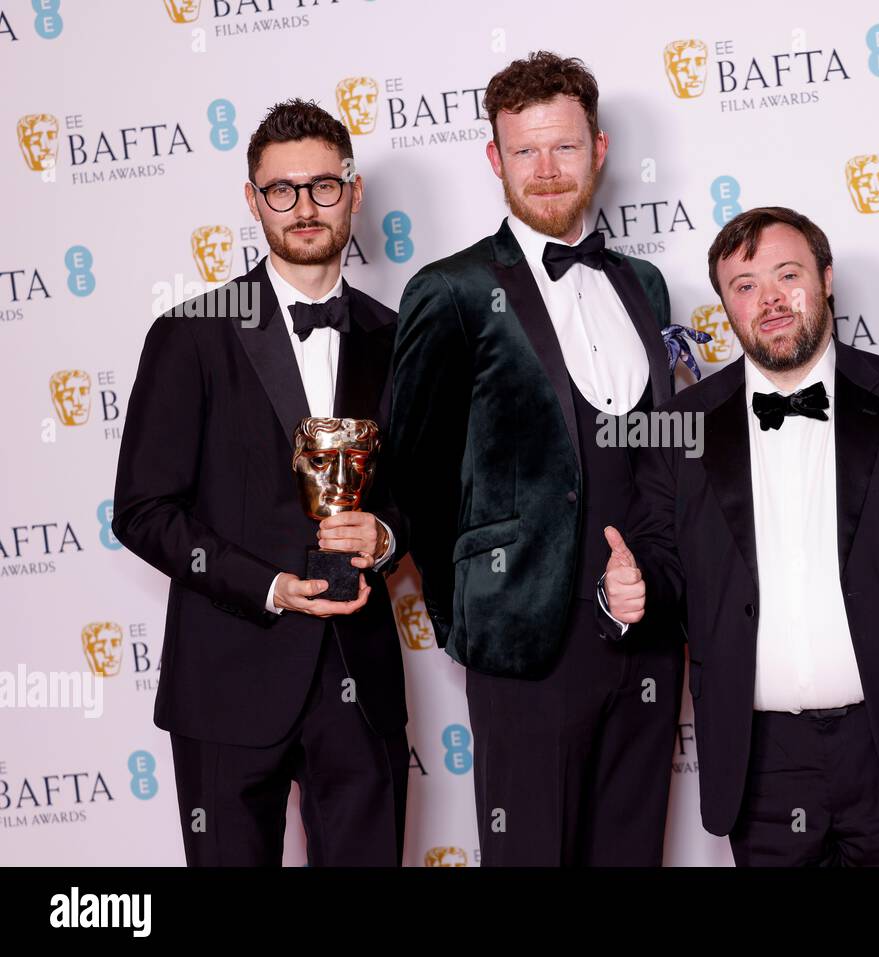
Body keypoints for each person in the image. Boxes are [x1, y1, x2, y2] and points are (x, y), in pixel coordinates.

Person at [601, 207, 879, 866]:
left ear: (826, 279)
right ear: (726, 306)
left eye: (787, 274)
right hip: (760, 766)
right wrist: (628, 590)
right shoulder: (680, 425)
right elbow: (659, 557)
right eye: (744, 285)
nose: (769, 299)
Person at [391, 52, 682, 866]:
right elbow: (411, 473)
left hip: (646, 627)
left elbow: (662, 454)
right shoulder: (449, 290)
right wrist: (470, 618)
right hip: (525, 640)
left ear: (600, 147)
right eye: (525, 151)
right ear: (495, 159)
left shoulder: (646, 285)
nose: (547, 171)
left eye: (564, 147)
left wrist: (658, 583)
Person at [113, 99, 409, 866]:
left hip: (360, 680)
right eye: (282, 190)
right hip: (226, 677)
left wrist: (387, 535)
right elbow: (144, 510)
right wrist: (268, 584)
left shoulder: (400, 336)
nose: (304, 208)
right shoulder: (189, 335)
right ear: (253, 200)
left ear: (355, 189)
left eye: (322, 186)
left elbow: (424, 493)